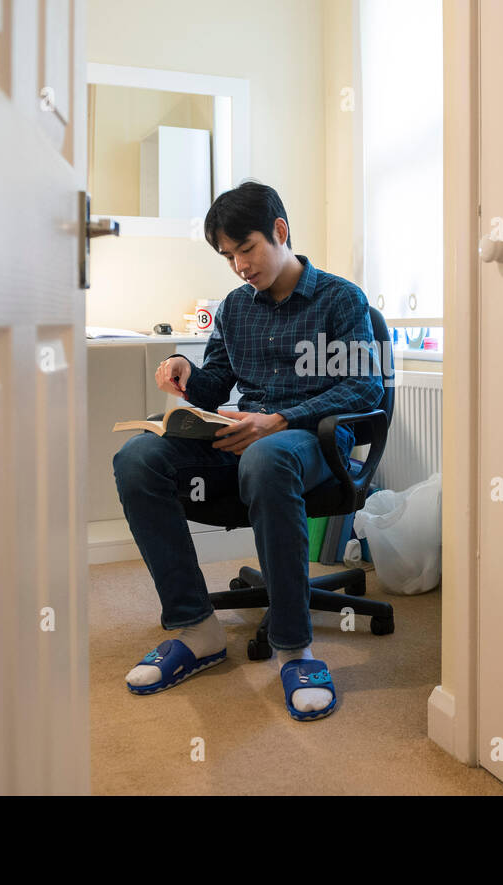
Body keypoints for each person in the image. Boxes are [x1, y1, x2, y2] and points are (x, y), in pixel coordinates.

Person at [112, 181, 384, 722]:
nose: (239, 266)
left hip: (310, 441)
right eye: (228, 256)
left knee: (268, 455)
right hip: (243, 436)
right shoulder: (235, 309)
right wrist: (187, 375)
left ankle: (295, 649)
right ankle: (196, 630)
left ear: (280, 232)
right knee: (137, 460)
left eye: (247, 249)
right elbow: (215, 384)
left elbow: (363, 388)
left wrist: (280, 419)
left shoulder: (341, 299)